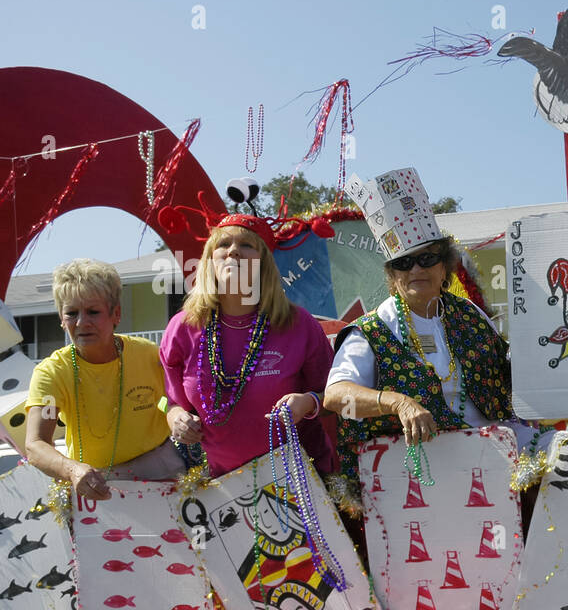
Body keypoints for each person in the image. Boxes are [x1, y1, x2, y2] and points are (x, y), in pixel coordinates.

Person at [323, 167, 515, 473]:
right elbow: (335, 395)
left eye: (427, 259)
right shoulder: (373, 329)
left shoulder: (470, 314)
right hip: (413, 465)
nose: (416, 270)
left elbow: (509, 372)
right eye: (403, 263)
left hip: (492, 451)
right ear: (393, 276)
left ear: (444, 268)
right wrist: (398, 403)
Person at [160, 214, 337, 478]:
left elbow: (336, 395)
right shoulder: (182, 328)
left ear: (263, 263)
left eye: (246, 245)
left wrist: (308, 402)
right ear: (210, 260)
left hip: (299, 480)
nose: (232, 251)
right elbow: (171, 402)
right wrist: (175, 418)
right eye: (223, 244)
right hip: (220, 490)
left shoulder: (298, 323)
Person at [25, 259, 179, 499]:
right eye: (72, 313)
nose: (82, 322)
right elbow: (35, 444)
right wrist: (72, 469)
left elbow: (171, 403)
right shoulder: (51, 372)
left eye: (93, 312)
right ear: (61, 318)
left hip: (160, 468)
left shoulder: (149, 354)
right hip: (93, 479)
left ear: (116, 313)